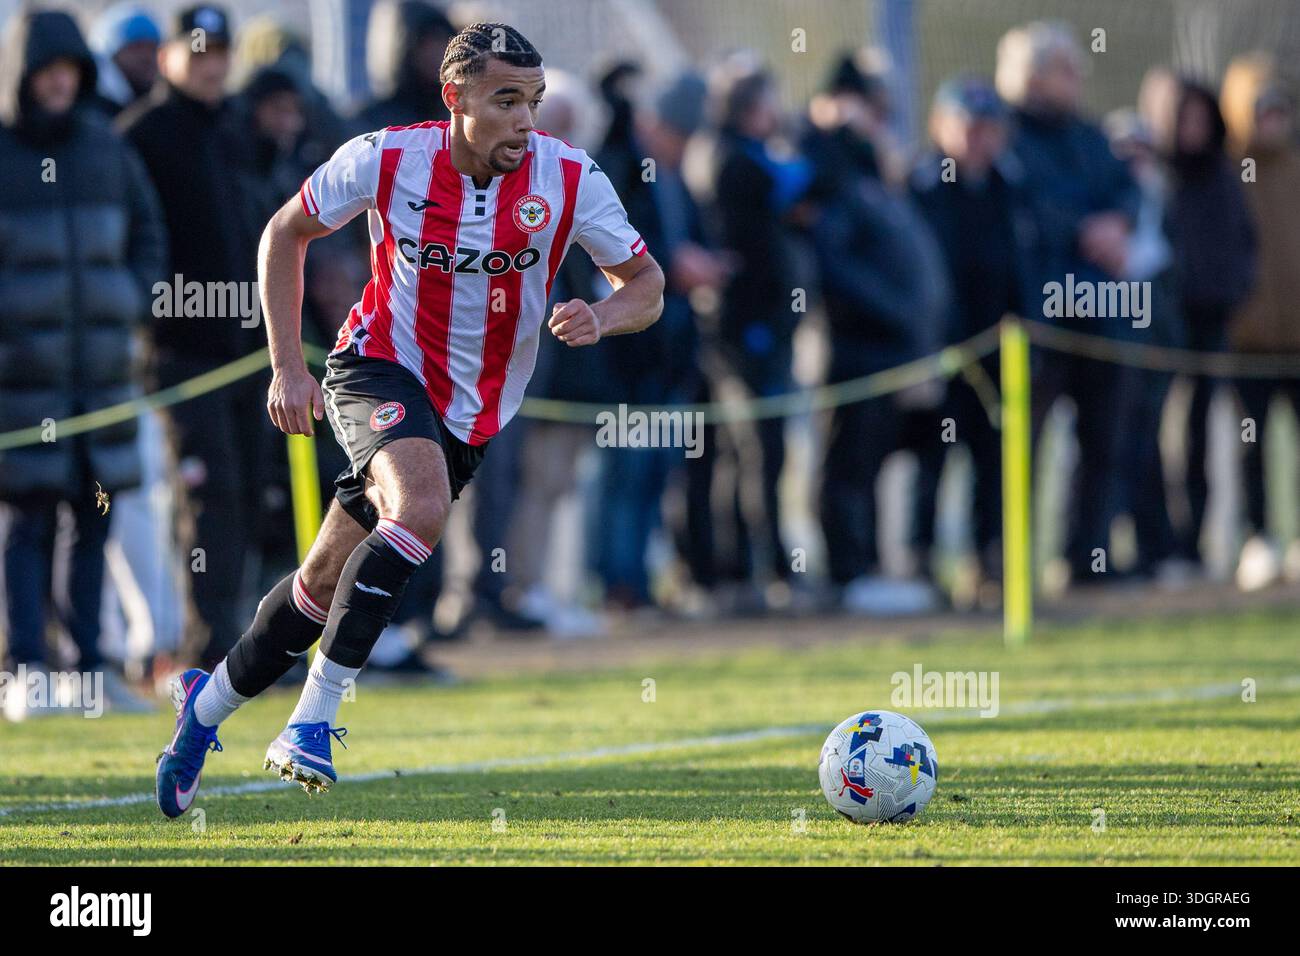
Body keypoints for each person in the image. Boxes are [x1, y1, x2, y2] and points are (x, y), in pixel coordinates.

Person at [153, 22, 664, 817]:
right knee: (419, 509)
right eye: (505, 101)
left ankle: (205, 707)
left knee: (321, 583)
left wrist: (606, 316)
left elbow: (647, 282)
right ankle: (314, 719)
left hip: (471, 412)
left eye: (531, 101)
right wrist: (288, 364)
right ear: (454, 98)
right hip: (375, 365)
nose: (526, 121)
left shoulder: (568, 178)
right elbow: (284, 230)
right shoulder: (389, 156)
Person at [0, 7, 165, 718]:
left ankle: (90, 669)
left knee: (93, 516)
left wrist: (131, 299)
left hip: (99, 379)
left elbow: (150, 233)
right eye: (48, 73)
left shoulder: (107, 148)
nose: (60, 85)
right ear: (23, 78)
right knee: (30, 521)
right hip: (22, 384)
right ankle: (28, 670)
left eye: (70, 72)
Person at [119, 5, 270, 670]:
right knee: (204, 503)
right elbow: (136, 243)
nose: (212, 65)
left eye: (221, 52)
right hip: (182, 354)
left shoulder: (234, 128)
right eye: (200, 51)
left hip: (246, 351)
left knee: (249, 495)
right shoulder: (142, 135)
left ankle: (242, 642)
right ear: (171, 55)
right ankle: (200, 651)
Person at [995, 21, 1139, 587]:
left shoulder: (1086, 136)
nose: (1077, 79)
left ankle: (1089, 556)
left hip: (1100, 314)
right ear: (1032, 75)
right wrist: (1086, 227)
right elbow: (1022, 211)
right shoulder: (1004, 136)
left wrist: (1118, 221)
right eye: (1065, 69)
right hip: (1037, 320)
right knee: (1019, 448)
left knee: (1103, 441)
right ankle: (1006, 565)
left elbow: (1122, 186)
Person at [910, 76, 1029, 602]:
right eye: (970, 127)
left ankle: (992, 567)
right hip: (942, 349)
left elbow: (1024, 264)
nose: (980, 139)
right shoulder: (924, 189)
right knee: (930, 460)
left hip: (1002, 349)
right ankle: (920, 566)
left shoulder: (1010, 187)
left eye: (988, 128)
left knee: (995, 462)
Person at [1162, 78, 1255, 578]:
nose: (1192, 130)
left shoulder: (1224, 177)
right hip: (1158, 331)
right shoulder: (1158, 176)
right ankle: (1159, 544)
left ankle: (1196, 542)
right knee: (1158, 437)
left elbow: (1245, 246)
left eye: (1201, 119)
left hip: (1211, 325)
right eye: (1184, 119)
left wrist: (1232, 293)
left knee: (1203, 438)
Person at [1219, 54, 1300, 591]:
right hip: (1246, 341)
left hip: (1297, 339)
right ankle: (1257, 538)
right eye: (1261, 108)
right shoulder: (1224, 172)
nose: (1272, 119)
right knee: (1250, 443)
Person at [88, 2, 161, 117]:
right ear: (109, 55)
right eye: (136, 47)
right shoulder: (92, 109)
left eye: (153, 47)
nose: (147, 57)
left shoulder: (162, 106)